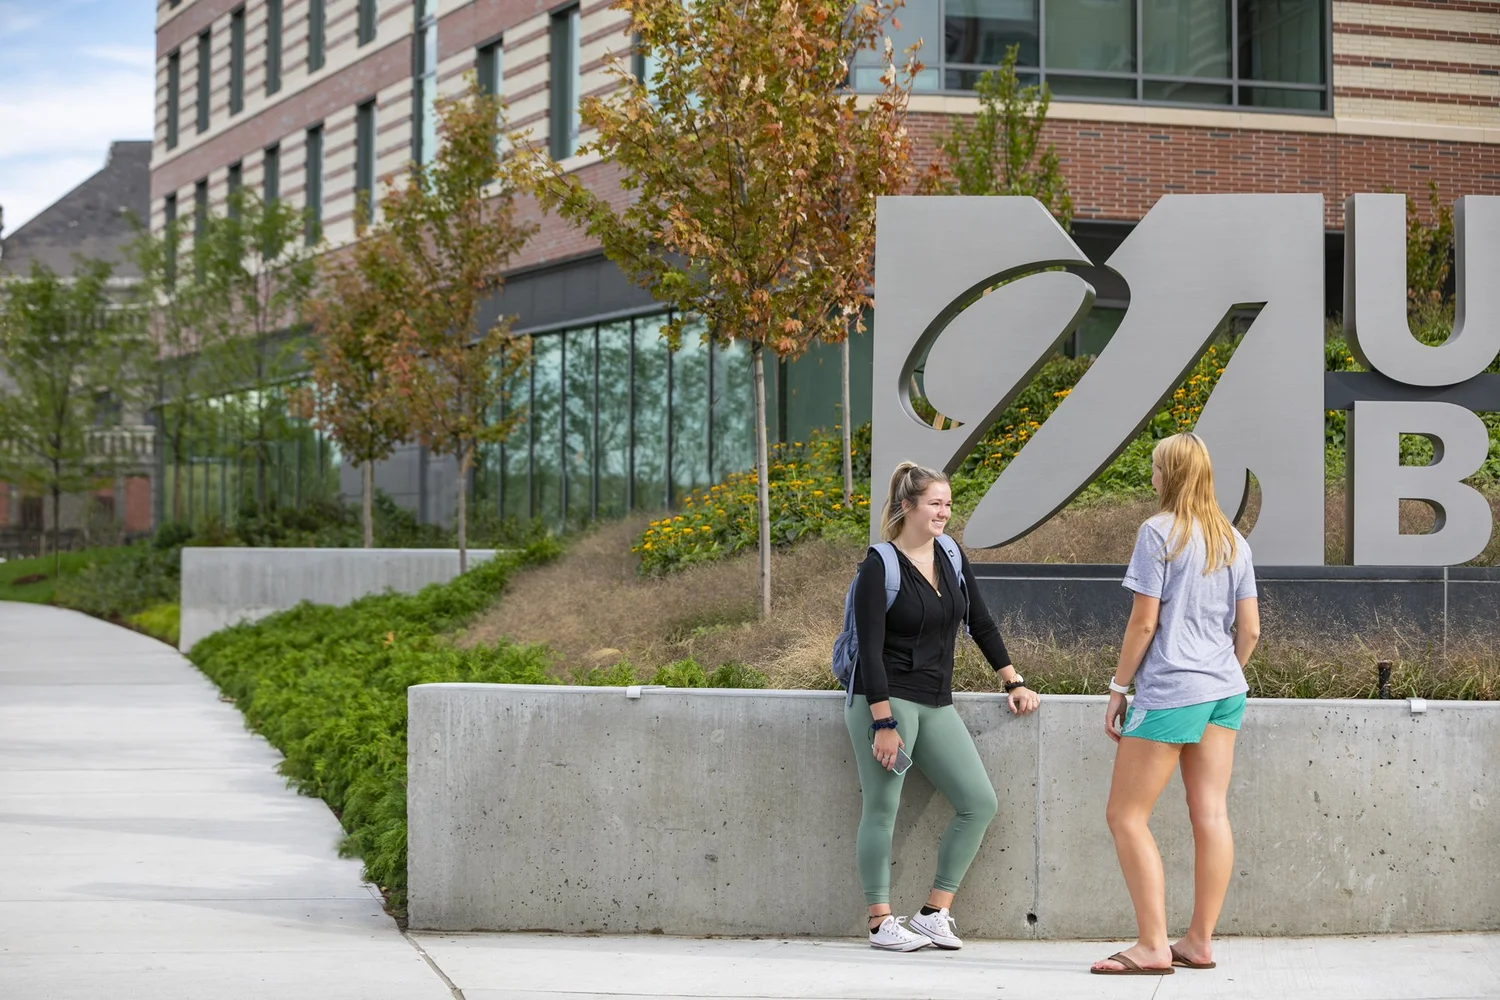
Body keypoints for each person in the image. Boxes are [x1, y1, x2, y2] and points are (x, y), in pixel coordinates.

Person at [847, 461, 1040, 953]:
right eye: (935, 503)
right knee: (883, 809)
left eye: (948, 504)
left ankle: (934, 913)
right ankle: (879, 922)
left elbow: (980, 620)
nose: (944, 512)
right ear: (907, 506)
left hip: (936, 700)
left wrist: (1013, 679)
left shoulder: (950, 554)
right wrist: (883, 722)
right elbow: (869, 650)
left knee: (979, 802)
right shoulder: (879, 567)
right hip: (886, 701)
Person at [1090, 432, 1261, 976]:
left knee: (1125, 815)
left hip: (1172, 690)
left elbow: (1144, 622)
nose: (1153, 476)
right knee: (1210, 812)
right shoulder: (1234, 540)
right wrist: (1219, 672)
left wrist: (1118, 688)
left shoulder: (1158, 532)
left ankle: (1152, 947)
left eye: (1157, 468)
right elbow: (1250, 631)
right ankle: (1199, 942)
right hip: (1225, 690)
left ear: (1172, 475)